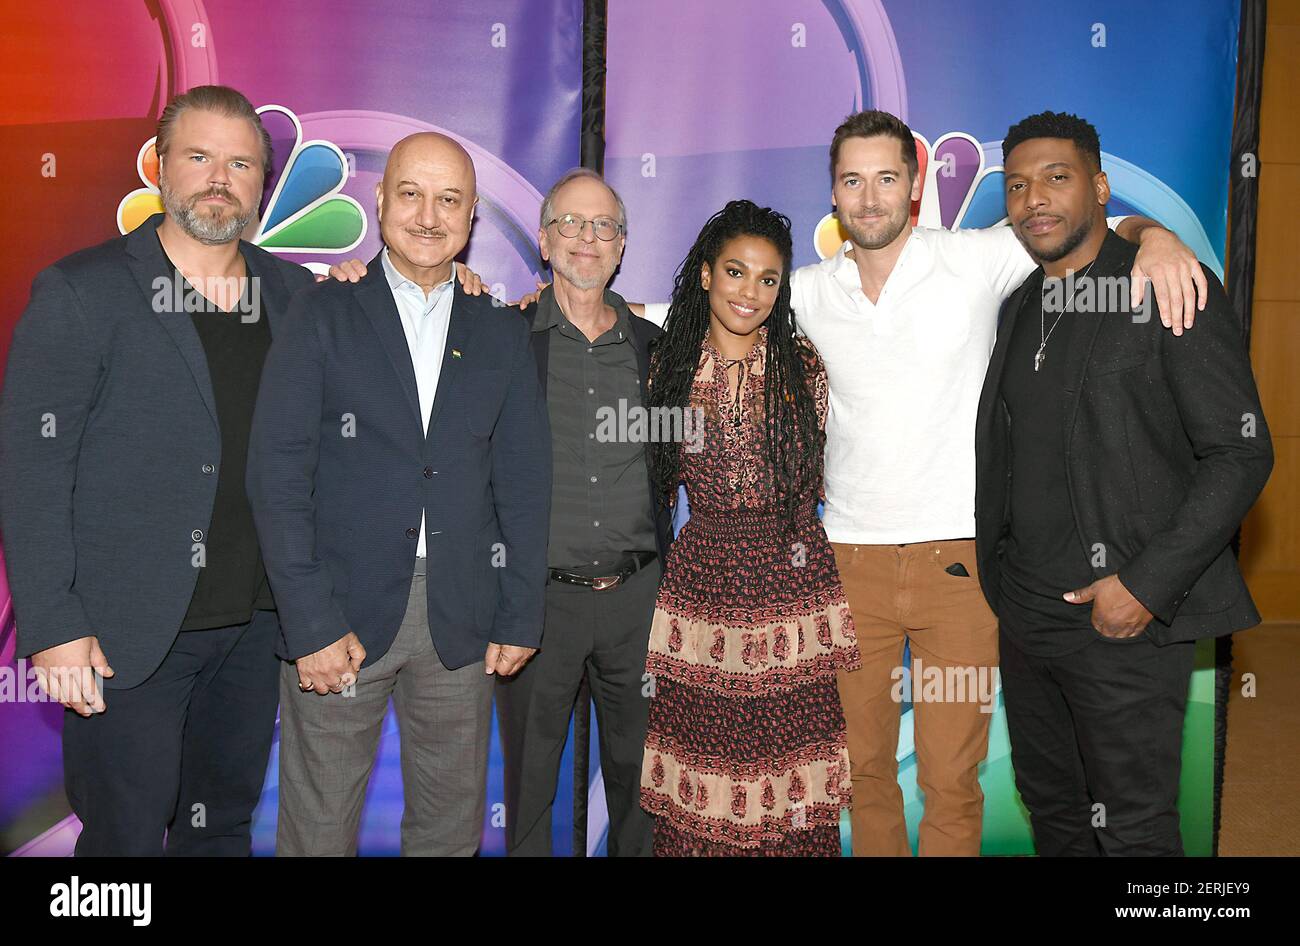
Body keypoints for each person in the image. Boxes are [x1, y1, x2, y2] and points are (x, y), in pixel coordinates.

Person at [639, 109, 1205, 856]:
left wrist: (1154, 236)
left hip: (960, 566)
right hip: (844, 569)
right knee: (865, 772)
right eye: (852, 181)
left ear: (913, 185)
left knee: (952, 778)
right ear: (833, 194)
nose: (869, 198)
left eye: (886, 178)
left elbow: (1075, 229)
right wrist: (566, 305)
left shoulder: (975, 259)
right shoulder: (804, 291)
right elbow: (687, 312)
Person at [0, 85, 315, 855]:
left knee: (223, 829)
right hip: (125, 636)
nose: (220, 177)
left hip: (253, 627)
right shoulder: (84, 291)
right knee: (125, 841)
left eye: (241, 163)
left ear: (261, 185)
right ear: (158, 166)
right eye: (200, 156)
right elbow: (32, 468)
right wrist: (53, 625)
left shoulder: (295, 294)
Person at [326, 168, 672, 857]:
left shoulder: (654, 350)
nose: (586, 239)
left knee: (643, 785)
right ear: (543, 241)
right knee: (528, 785)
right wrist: (350, 278)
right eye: (570, 223)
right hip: (535, 601)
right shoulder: (503, 335)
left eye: (603, 226)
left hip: (638, 598)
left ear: (623, 246)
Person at [975, 111, 1272, 855]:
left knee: (1135, 826)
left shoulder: (1166, 285)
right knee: (1054, 809)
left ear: (1100, 188)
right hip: (1028, 615)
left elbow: (1241, 453)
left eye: (1056, 178)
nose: (1034, 198)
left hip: (1125, 624)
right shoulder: (1020, 304)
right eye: (1017, 185)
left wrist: (1142, 587)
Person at [247, 132, 551, 856]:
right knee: (318, 833)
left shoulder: (498, 330)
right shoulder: (323, 312)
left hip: (461, 619)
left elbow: (524, 480)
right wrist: (310, 621)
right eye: (410, 193)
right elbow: (278, 474)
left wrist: (520, 612)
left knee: (449, 833)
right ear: (379, 202)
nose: (428, 215)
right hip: (338, 617)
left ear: (473, 216)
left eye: (449, 200)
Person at [639, 199, 859, 857]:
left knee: (788, 774)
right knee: (706, 770)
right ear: (706, 275)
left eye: (768, 280)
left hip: (788, 586)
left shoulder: (802, 365)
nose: (751, 292)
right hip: (704, 586)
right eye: (736, 272)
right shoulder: (668, 372)